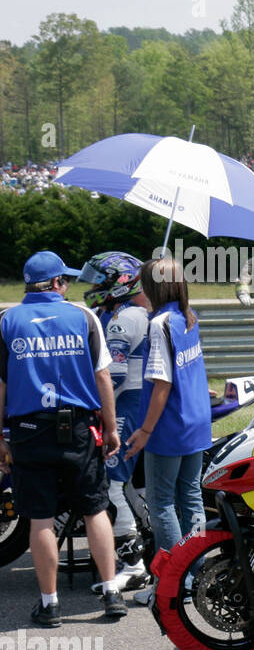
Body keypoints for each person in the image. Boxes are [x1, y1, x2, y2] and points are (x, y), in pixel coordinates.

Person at [0, 250, 126, 624]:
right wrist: (112, 427)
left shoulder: (7, 321)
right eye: (65, 279)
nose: (68, 285)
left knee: (40, 519)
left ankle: (50, 603)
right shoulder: (83, 316)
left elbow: (1, 386)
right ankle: (111, 594)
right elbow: (103, 377)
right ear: (56, 284)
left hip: (28, 433)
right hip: (78, 429)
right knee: (94, 509)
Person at [124, 258, 212, 557]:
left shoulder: (159, 324)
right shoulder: (189, 315)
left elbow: (162, 384)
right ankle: (197, 570)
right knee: (190, 496)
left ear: (152, 287)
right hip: (197, 420)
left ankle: (175, 580)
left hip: (169, 426)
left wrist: (145, 431)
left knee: (161, 502)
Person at [80, 252, 151, 591]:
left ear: (118, 283)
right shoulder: (125, 312)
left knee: (110, 484)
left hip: (127, 405)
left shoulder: (125, 318)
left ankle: (134, 564)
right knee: (136, 486)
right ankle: (152, 552)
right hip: (136, 403)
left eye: (98, 280)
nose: (91, 287)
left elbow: (116, 375)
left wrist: (96, 408)